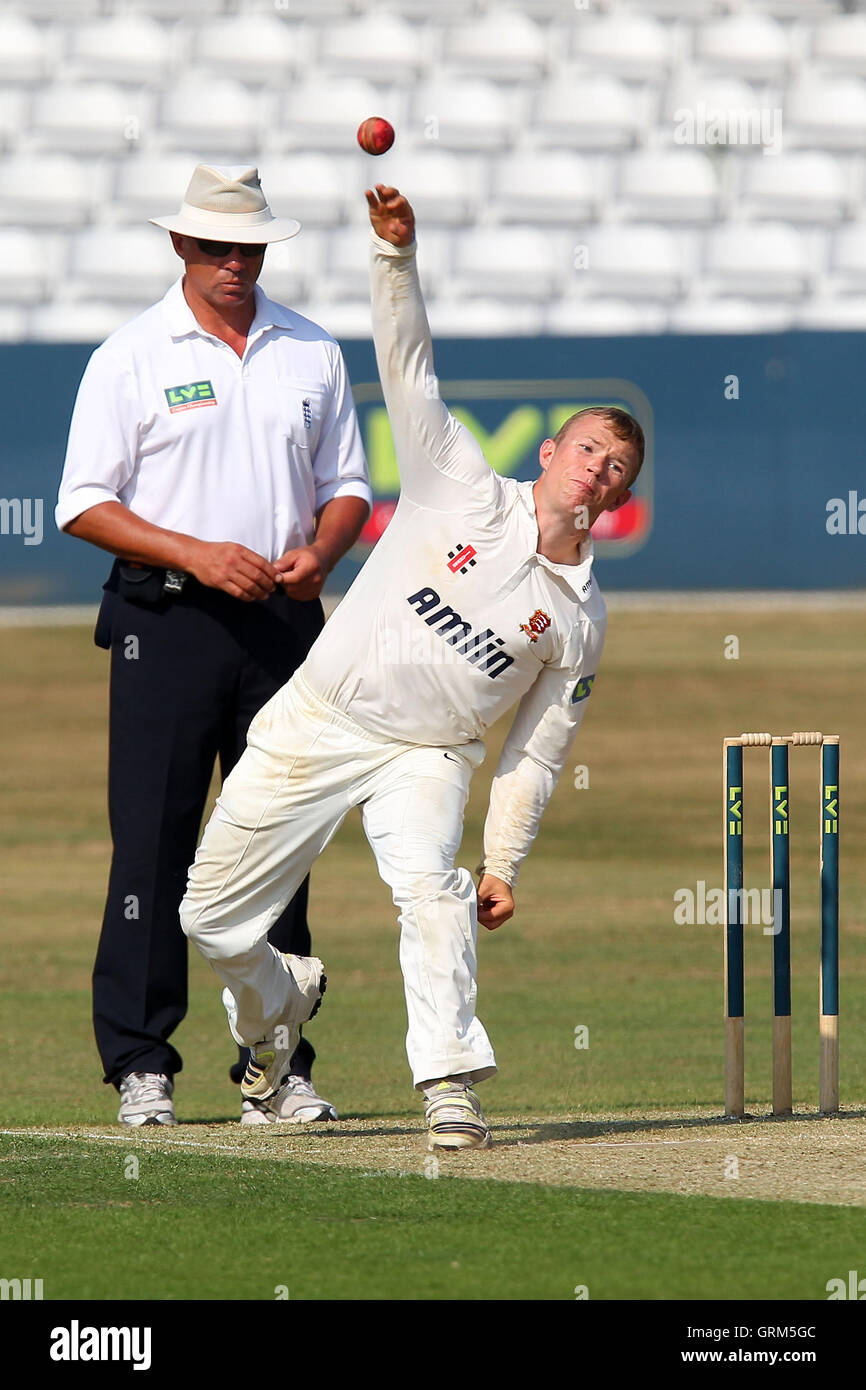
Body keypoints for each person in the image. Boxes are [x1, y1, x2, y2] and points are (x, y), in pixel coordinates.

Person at [179, 184, 644, 1150]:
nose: (593, 471)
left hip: (429, 754)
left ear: (616, 497)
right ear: (552, 449)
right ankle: (282, 999)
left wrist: (503, 863)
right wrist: (395, 258)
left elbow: (536, 752)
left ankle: (448, 1085)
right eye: (587, 449)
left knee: (434, 896)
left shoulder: (579, 617)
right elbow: (408, 367)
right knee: (211, 920)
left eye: (614, 470)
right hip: (322, 714)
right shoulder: (459, 481)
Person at [55, 163, 371, 1128]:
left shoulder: (310, 348)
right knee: (153, 846)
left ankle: (276, 1062)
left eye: (252, 249)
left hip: (282, 622)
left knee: (280, 846)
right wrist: (195, 553)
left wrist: (322, 551)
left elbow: (348, 485)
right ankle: (143, 1061)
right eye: (218, 248)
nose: (237, 264)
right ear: (181, 248)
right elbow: (82, 504)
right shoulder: (131, 354)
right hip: (167, 623)